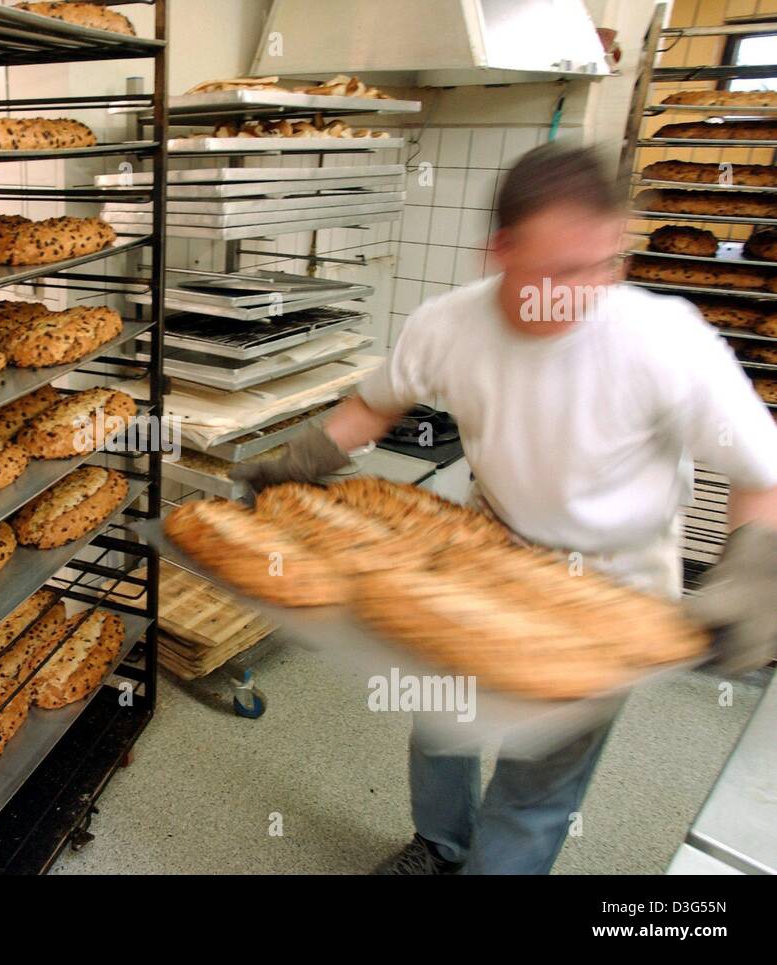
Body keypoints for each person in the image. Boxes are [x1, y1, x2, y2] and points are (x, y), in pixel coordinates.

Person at [234, 143, 777, 875]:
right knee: (440, 723)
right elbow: (373, 406)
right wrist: (297, 463)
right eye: (559, 271)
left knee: (540, 781)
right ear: (500, 250)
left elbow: (759, 473)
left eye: (604, 265)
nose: (583, 291)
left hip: (609, 593)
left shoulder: (665, 338)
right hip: (483, 554)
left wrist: (748, 574)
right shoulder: (449, 324)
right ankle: (440, 843)